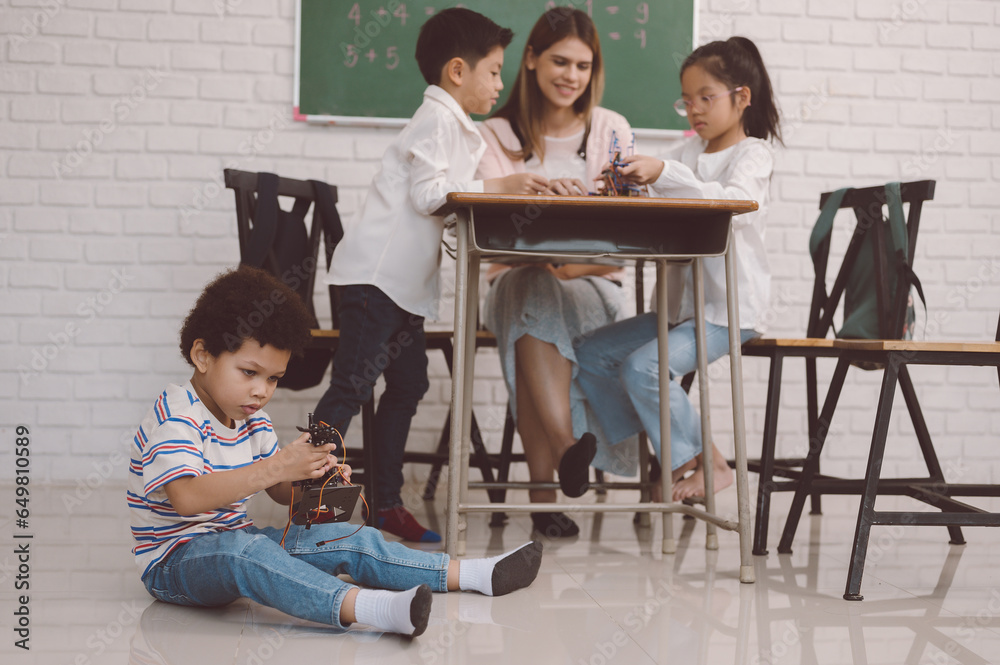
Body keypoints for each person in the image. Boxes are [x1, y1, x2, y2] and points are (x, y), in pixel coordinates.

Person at [127, 266, 543, 638]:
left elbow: (280, 495)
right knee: (245, 553)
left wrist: (314, 484)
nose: (261, 390)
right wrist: (273, 468)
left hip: (238, 539)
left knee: (341, 538)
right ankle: (370, 608)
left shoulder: (253, 420)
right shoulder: (177, 415)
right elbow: (186, 498)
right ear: (202, 355)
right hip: (174, 563)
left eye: (273, 379)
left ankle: (473, 573)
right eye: (249, 373)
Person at [313, 8, 546, 543]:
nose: (500, 84)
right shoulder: (437, 119)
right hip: (375, 281)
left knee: (408, 382)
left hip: (398, 287)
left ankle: (384, 504)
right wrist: (503, 186)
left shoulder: (452, 123)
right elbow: (427, 196)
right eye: (493, 71)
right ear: (457, 71)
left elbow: (440, 199)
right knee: (350, 386)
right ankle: (314, 505)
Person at [575, 36, 782, 503]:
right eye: (687, 102)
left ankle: (709, 464)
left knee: (643, 367)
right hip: (677, 313)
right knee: (591, 353)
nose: (695, 111)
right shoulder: (687, 152)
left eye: (706, 98)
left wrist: (663, 172)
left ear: (741, 97)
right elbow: (665, 190)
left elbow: (734, 202)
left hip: (726, 312)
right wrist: (628, 184)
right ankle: (678, 452)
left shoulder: (753, 155)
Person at [475, 7, 637, 538]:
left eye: (583, 66)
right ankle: (569, 452)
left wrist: (565, 265)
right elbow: (486, 235)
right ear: (531, 60)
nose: (571, 76)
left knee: (534, 303)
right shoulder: (494, 135)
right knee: (529, 289)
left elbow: (623, 244)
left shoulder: (611, 129)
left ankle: (544, 497)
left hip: (592, 286)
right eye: (560, 62)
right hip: (513, 282)